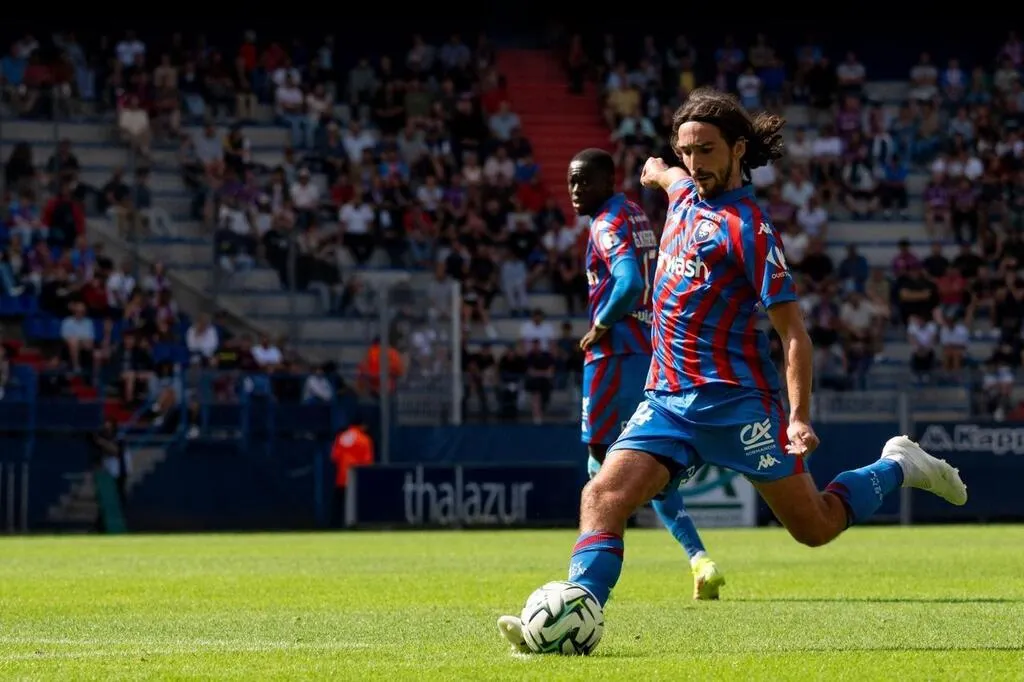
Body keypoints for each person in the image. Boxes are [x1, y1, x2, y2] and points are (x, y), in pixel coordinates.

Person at [498, 88, 967, 653]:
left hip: (738, 407)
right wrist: (655, 170)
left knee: (814, 527)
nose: (695, 164)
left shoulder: (751, 229)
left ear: (738, 149)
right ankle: (574, 610)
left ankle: (898, 464)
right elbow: (668, 176)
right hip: (666, 402)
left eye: (707, 151)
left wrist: (797, 417)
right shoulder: (681, 193)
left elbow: (794, 334)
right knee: (602, 495)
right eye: (686, 151)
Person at [567, 147, 723, 601]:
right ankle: (698, 559)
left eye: (583, 181)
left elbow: (631, 280)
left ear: (605, 181)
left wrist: (601, 325)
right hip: (649, 348)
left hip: (615, 354)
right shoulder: (633, 213)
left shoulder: (606, 222)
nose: (575, 191)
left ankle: (588, 572)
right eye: (571, 182)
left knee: (602, 461)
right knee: (646, 461)